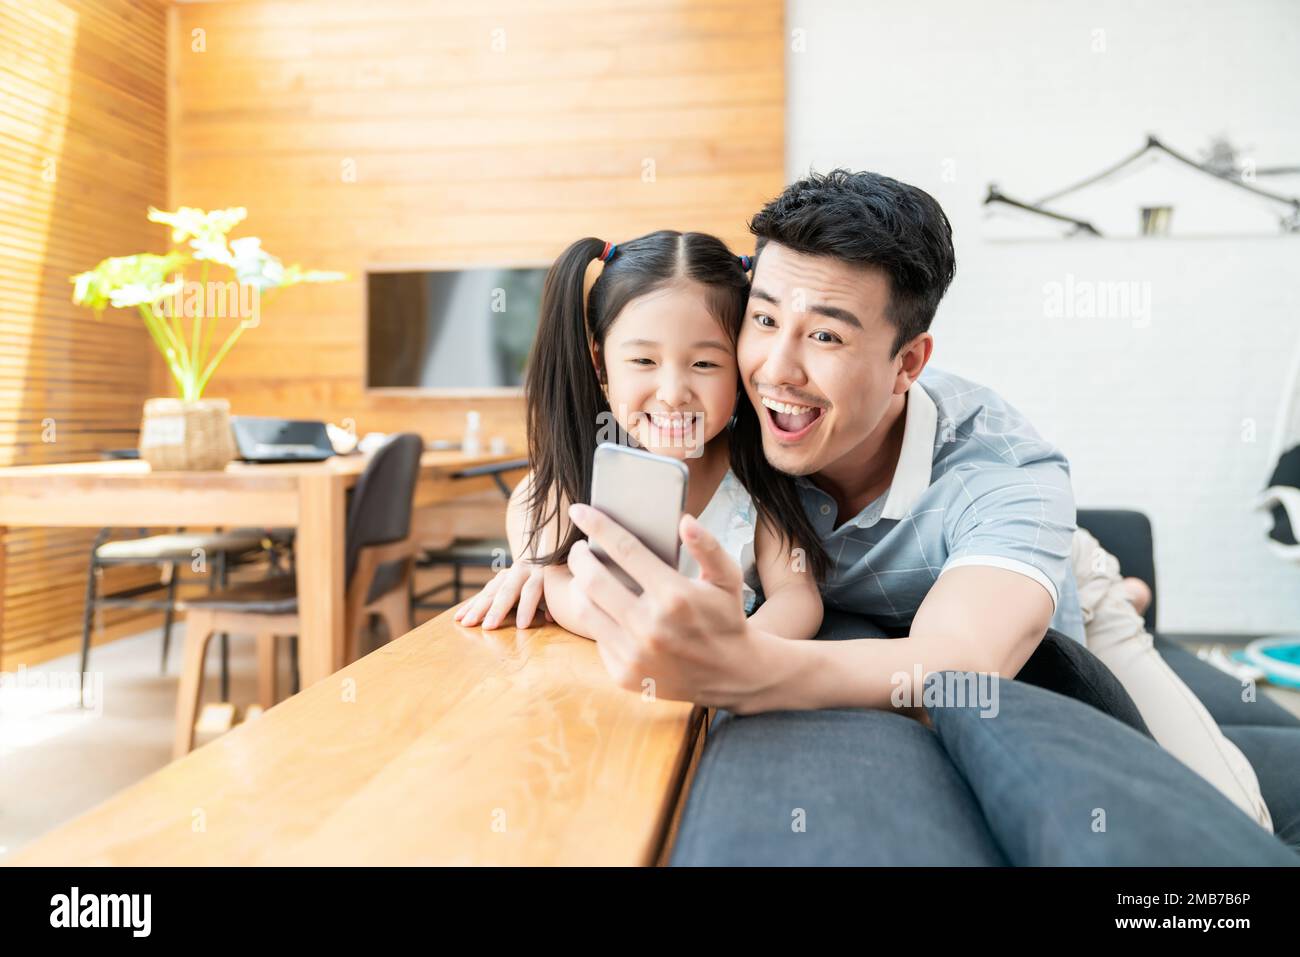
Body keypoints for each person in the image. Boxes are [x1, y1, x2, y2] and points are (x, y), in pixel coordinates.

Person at [456, 230, 826, 646]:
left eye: (705, 363)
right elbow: (563, 590)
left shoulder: (755, 474)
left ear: (740, 366)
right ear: (601, 363)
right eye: (644, 360)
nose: (672, 393)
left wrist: (731, 656)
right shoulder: (561, 493)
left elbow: (797, 597)